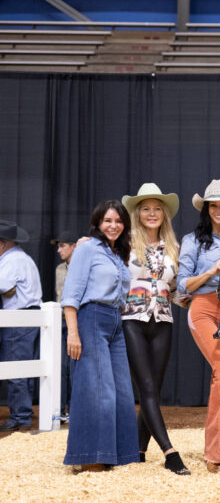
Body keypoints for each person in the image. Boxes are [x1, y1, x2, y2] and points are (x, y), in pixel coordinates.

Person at [61, 202, 138, 471]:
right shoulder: (86, 249)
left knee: (121, 390)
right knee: (96, 388)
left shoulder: (117, 254)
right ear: (97, 223)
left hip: (115, 321)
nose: (113, 225)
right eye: (107, 220)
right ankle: (90, 457)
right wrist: (73, 332)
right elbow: (70, 294)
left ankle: (118, 454)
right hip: (91, 317)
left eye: (118, 221)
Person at [121, 183, 190, 476]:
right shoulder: (124, 242)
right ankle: (170, 452)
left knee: (154, 390)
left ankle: (138, 450)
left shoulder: (173, 248)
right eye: (146, 209)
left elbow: (175, 290)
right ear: (137, 213)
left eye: (157, 209)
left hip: (162, 320)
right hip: (131, 319)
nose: (152, 214)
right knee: (146, 387)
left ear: (164, 214)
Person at [177, 179, 220, 473]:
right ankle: (215, 451)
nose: (218, 209)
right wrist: (210, 271)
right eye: (213, 205)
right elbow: (183, 284)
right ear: (206, 209)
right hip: (204, 307)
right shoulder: (193, 241)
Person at [0, 220, 43, 432]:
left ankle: (20, 416)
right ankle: (24, 412)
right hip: (31, 317)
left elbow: (4, 287)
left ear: (1, 244)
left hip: (19, 318)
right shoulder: (23, 258)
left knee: (16, 366)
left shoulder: (11, 260)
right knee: (27, 366)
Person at [53, 229, 79, 424]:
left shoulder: (83, 266)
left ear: (74, 246)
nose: (59, 250)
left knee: (76, 366)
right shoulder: (60, 269)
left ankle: (76, 408)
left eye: (63, 245)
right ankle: (62, 408)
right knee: (62, 366)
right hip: (62, 320)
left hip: (79, 320)